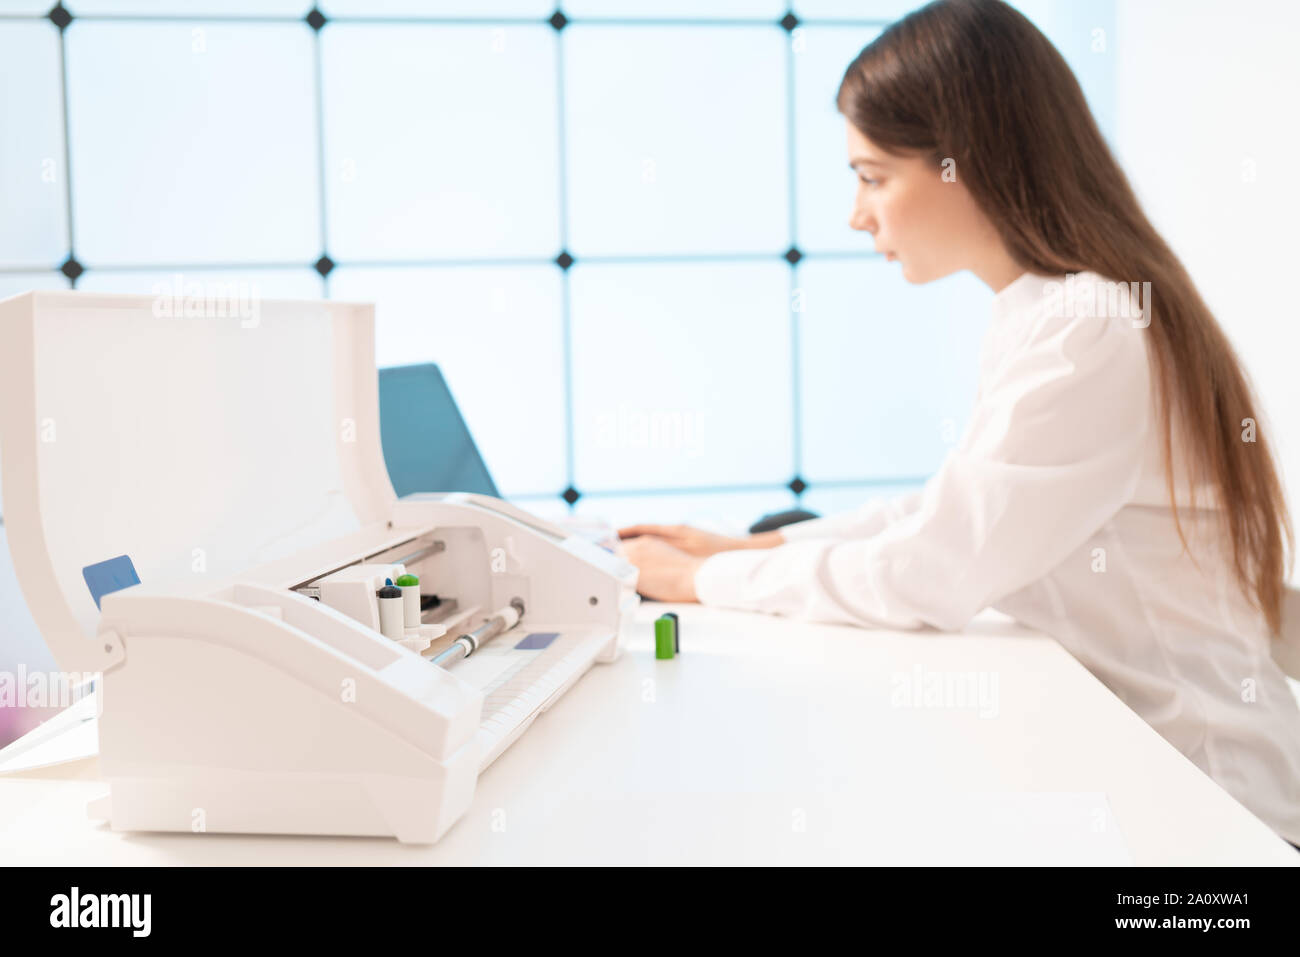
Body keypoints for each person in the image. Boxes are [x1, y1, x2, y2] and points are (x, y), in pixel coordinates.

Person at [618, 0, 1300, 850]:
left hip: (1213, 840)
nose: (857, 214)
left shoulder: (1091, 326)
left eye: (872, 176)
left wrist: (696, 584)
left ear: (960, 164)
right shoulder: (1051, 311)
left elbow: (931, 569)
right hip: (1151, 792)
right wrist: (747, 551)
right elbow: (950, 509)